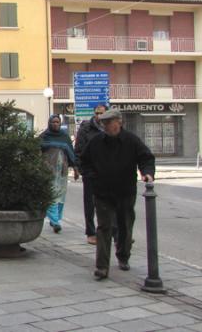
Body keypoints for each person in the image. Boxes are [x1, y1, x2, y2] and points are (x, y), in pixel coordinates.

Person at [79, 109, 155, 280]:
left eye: (109, 123)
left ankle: (123, 256)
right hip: (103, 192)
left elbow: (146, 158)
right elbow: (84, 161)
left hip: (125, 192)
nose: (106, 126)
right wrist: (91, 176)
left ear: (119, 122)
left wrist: (147, 173)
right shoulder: (96, 142)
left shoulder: (131, 140)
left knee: (125, 226)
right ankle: (102, 267)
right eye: (103, 123)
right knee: (104, 228)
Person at [39, 115, 79, 233]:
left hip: (62, 170)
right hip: (48, 169)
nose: (55, 124)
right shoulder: (44, 136)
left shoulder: (64, 136)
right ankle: (55, 221)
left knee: (61, 195)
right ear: (49, 123)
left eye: (58, 122)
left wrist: (76, 169)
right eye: (53, 122)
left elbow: (71, 153)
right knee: (51, 194)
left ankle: (56, 218)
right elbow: (36, 150)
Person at [74, 104, 107, 245]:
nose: (99, 116)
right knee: (90, 203)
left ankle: (114, 232)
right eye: (97, 113)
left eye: (101, 113)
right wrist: (82, 170)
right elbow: (79, 150)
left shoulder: (109, 127)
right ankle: (91, 232)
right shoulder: (86, 128)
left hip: (107, 172)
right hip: (90, 172)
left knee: (109, 203)